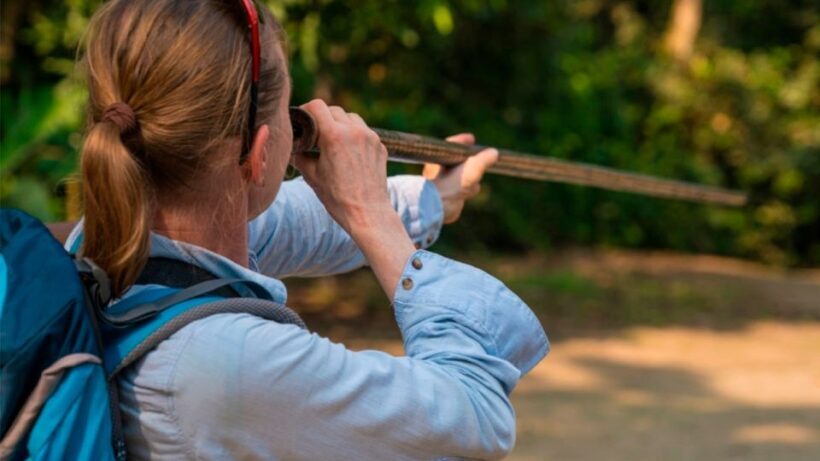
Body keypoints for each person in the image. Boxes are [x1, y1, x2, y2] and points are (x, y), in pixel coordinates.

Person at [65, 0, 549, 459]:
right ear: (258, 153)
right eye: (290, 112)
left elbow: (298, 220)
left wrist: (430, 199)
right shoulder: (228, 363)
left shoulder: (106, 240)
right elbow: (475, 417)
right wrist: (374, 219)